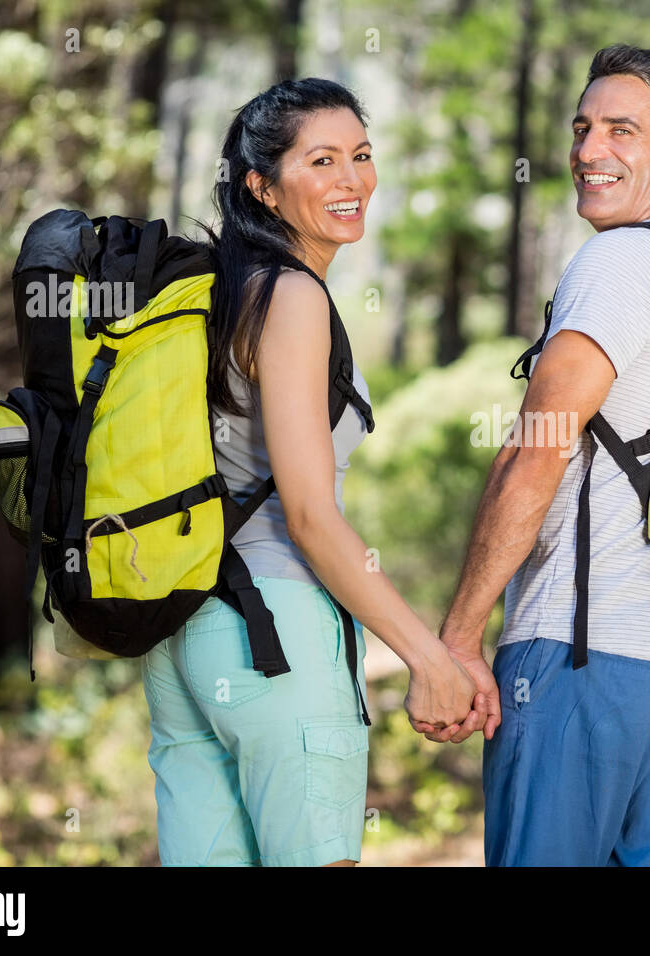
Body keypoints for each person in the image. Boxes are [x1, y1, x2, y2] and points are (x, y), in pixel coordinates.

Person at [142, 78, 481, 867]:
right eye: (321, 160)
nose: (351, 180)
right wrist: (428, 658)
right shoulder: (290, 297)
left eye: (361, 156)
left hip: (183, 631)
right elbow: (309, 517)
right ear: (262, 186)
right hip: (273, 634)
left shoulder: (219, 292)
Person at [419, 45, 650, 866]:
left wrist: (456, 640)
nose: (588, 150)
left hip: (582, 654)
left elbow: (537, 453)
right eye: (582, 127)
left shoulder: (619, 261)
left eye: (622, 131)